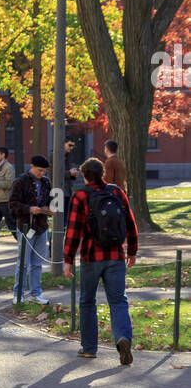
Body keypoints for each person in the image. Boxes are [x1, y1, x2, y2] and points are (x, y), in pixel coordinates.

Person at [63, 156, 138, 364]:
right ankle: (123, 338)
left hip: (91, 256)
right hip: (116, 255)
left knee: (87, 301)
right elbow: (130, 223)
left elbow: (73, 231)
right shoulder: (117, 192)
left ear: (85, 176)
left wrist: (67, 259)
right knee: (118, 301)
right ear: (103, 173)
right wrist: (132, 251)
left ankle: (89, 348)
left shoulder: (80, 195)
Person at [8, 154, 53, 304]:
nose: (42, 174)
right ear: (32, 167)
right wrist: (29, 209)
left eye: (44, 171)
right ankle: (18, 293)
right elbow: (12, 204)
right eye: (39, 170)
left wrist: (49, 208)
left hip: (41, 225)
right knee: (23, 262)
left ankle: (36, 293)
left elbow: (50, 201)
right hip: (26, 226)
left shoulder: (46, 182)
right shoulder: (20, 182)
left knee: (37, 263)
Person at [63, 138, 79, 207]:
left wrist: (73, 174)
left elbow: (69, 172)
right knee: (59, 215)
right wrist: (70, 173)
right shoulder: (55, 155)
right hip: (59, 191)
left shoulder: (69, 156)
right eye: (69, 145)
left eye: (73, 146)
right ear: (63, 144)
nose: (71, 148)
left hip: (68, 191)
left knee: (67, 215)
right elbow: (55, 174)